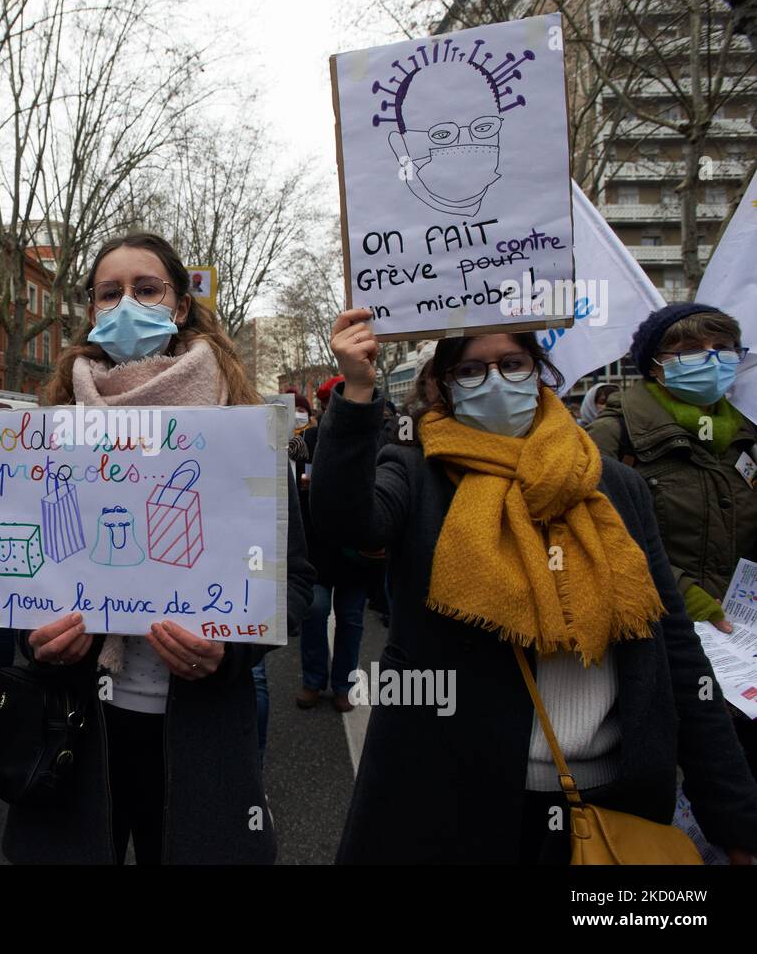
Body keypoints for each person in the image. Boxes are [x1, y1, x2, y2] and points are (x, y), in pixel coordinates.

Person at [314, 307, 757, 864]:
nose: (495, 379)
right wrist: (356, 392)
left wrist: (735, 819)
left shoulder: (611, 483)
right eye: (471, 370)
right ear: (446, 386)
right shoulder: (415, 470)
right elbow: (343, 522)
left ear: (539, 369)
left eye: (512, 362)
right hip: (451, 800)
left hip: (610, 804)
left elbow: (676, 650)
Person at [0, 232, 314, 864]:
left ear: (179, 306)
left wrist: (231, 650)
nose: (126, 304)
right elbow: (19, 572)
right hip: (79, 728)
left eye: (146, 289)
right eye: (108, 293)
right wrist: (38, 636)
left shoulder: (243, 428)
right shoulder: (48, 426)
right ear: (90, 311)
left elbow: (295, 582)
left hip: (199, 730)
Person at [587, 303, 757, 775]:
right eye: (689, 350)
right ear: (656, 365)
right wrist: (689, 600)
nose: (711, 359)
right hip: (658, 642)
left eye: (722, 349)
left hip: (742, 649)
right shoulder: (613, 437)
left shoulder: (745, 436)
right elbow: (606, 536)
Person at [295, 375, 371, 713]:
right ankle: (313, 680)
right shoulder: (309, 439)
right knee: (314, 611)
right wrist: (304, 488)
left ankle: (343, 685)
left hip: (356, 551)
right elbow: (291, 485)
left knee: (351, 619)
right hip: (318, 549)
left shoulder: (370, 439)